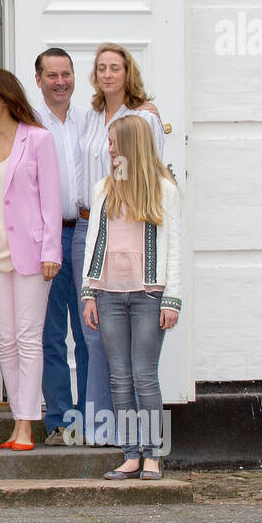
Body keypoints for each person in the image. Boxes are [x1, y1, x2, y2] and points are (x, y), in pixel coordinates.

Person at [81, 115, 182, 479]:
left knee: (144, 375)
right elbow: (94, 242)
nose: (109, 149)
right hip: (109, 294)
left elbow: (174, 247)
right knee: (119, 377)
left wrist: (172, 298)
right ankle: (131, 454)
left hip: (147, 295)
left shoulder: (162, 190)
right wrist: (89, 291)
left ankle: (153, 454)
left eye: (113, 142)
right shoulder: (104, 189)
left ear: (130, 144)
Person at [0, 68, 62, 451]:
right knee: (5, 340)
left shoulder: (38, 140)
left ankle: (26, 425)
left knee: (28, 338)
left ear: (5, 99)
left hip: (33, 255)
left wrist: (51, 249)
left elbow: (52, 200)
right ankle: (16, 421)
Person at [78, 44, 164, 446]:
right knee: (95, 338)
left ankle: (145, 447)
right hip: (95, 227)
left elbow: (153, 180)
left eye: (116, 68)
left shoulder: (144, 116)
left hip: (134, 236)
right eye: (101, 68)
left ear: (128, 72)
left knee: (139, 366)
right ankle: (102, 430)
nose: (108, 74)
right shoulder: (91, 116)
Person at [34, 48, 91, 445]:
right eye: (51, 75)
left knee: (89, 332)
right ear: (38, 80)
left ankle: (90, 419)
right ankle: (59, 420)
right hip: (47, 238)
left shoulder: (90, 121)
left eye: (66, 74)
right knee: (50, 334)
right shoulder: (29, 125)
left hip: (85, 233)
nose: (60, 82)